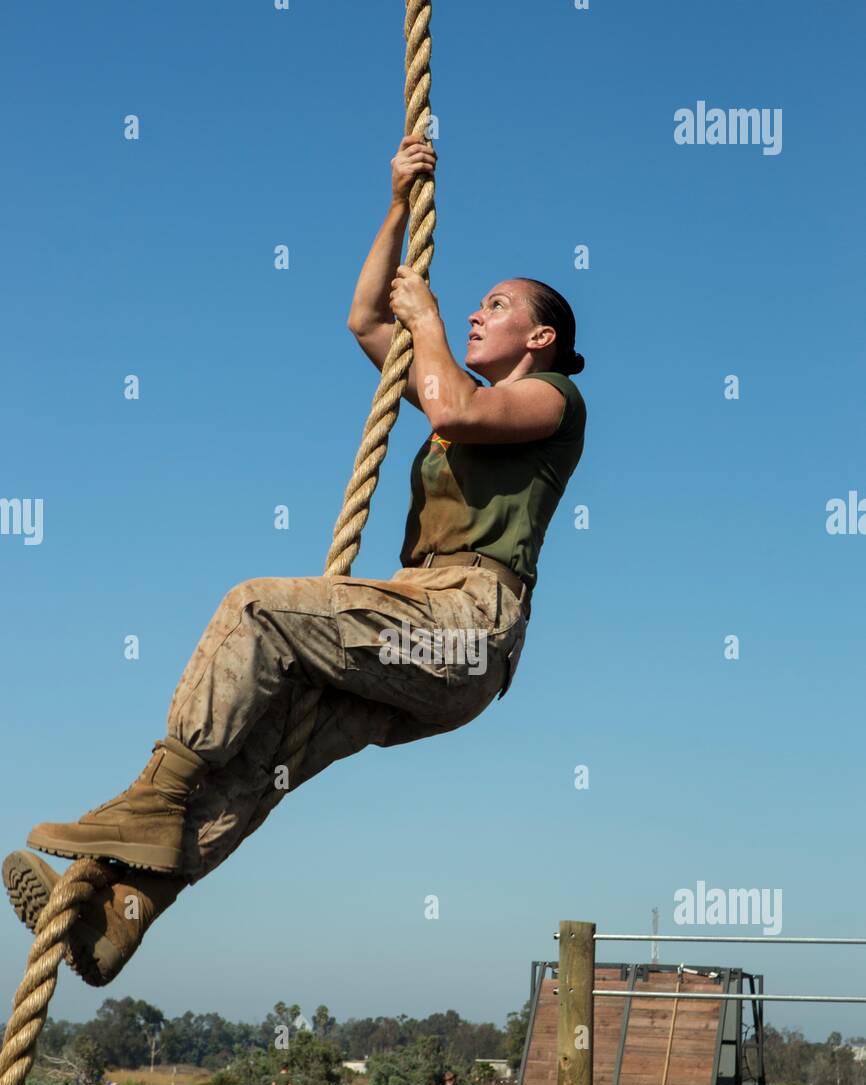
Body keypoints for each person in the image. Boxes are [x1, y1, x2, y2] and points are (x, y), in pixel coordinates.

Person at [2, 133, 587, 987]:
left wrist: (425, 317)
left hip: (465, 625)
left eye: (494, 306)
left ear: (538, 336)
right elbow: (362, 320)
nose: (472, 313)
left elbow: (450, 408)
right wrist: (396, 206)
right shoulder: (446, 378)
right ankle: (125, 914)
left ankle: (157, 795)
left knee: (257, 609)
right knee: (268, 755)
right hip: (416, 626)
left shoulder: (552, 398)